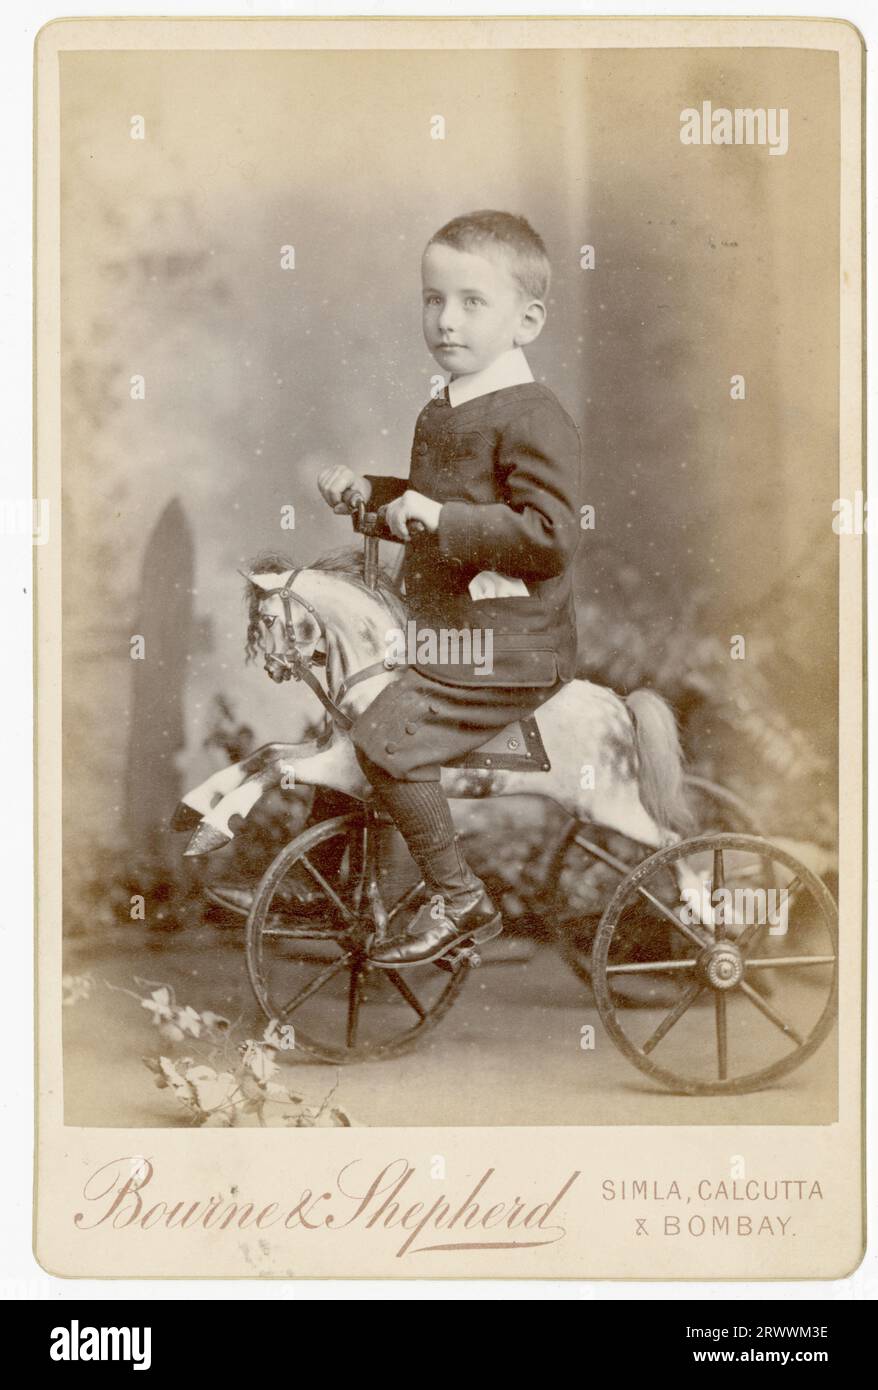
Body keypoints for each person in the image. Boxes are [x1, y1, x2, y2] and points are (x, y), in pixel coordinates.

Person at [317, 210, 582, 968]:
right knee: (345, 714)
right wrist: (368, 495)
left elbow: (550, 535)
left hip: (510, 644)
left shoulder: (533, 416)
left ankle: (460, 897)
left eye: (472, 302)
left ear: (527, 321)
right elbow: (430, 508)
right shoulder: (446, 406)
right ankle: (319, 883)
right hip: (441, 632)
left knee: (385, 738)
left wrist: (440, 517)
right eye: (433, 299)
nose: (446, 320)